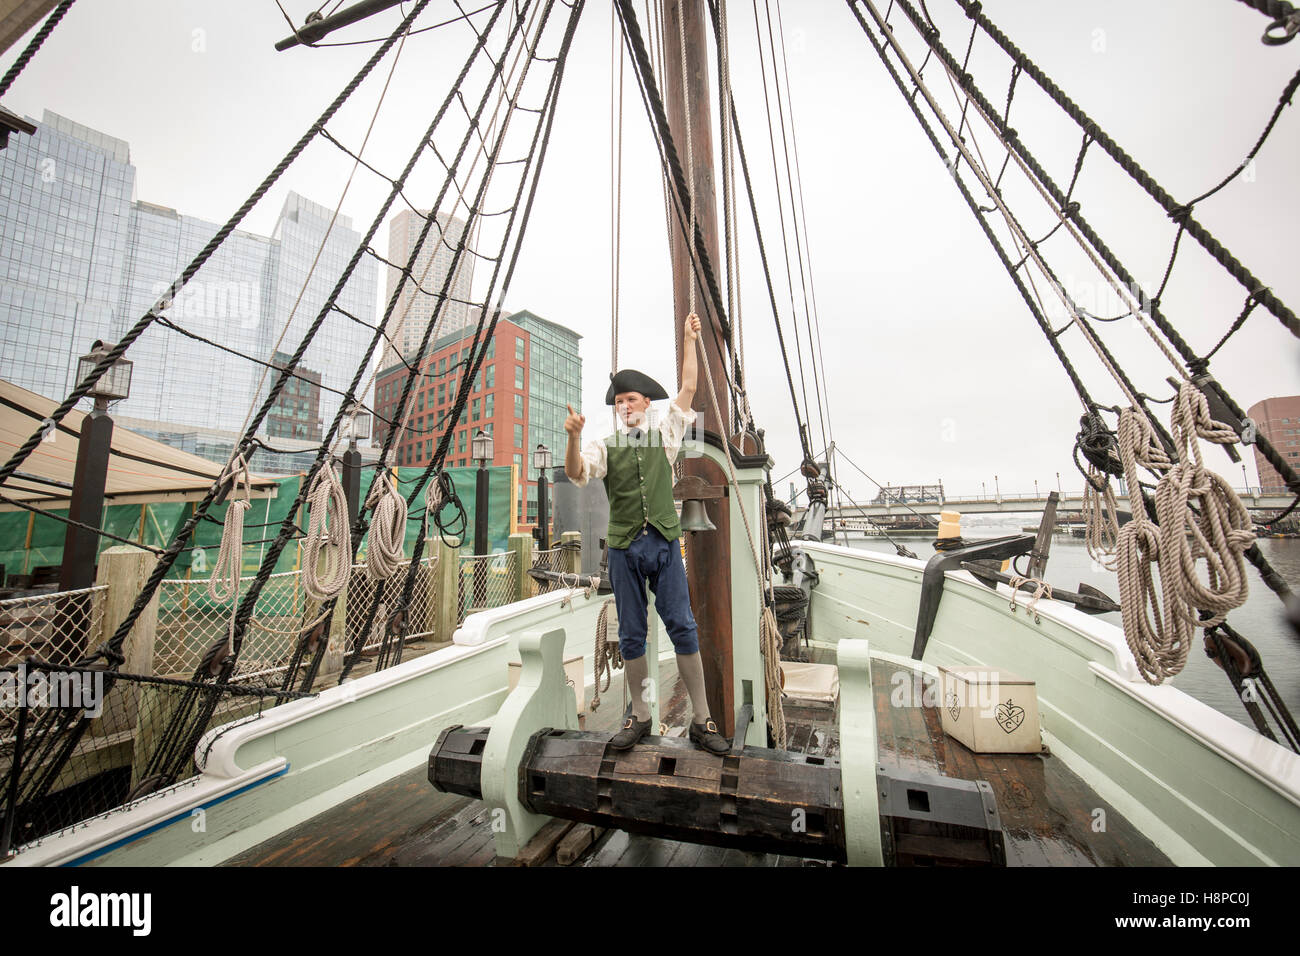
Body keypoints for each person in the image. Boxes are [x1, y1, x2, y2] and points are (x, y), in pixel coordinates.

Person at [564, 312, 729, 754]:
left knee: (683, 627)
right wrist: (573, 438)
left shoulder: (665, 433)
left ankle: (701, 719)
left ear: (646, 405)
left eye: (632, 400)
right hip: (622, 549)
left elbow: (689, 388)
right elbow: (576, 471)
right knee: (631, 634)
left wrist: (690, 340)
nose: (625, 407)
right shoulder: (603, 446)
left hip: (662, 544)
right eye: (620, 402)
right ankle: (639, 716)